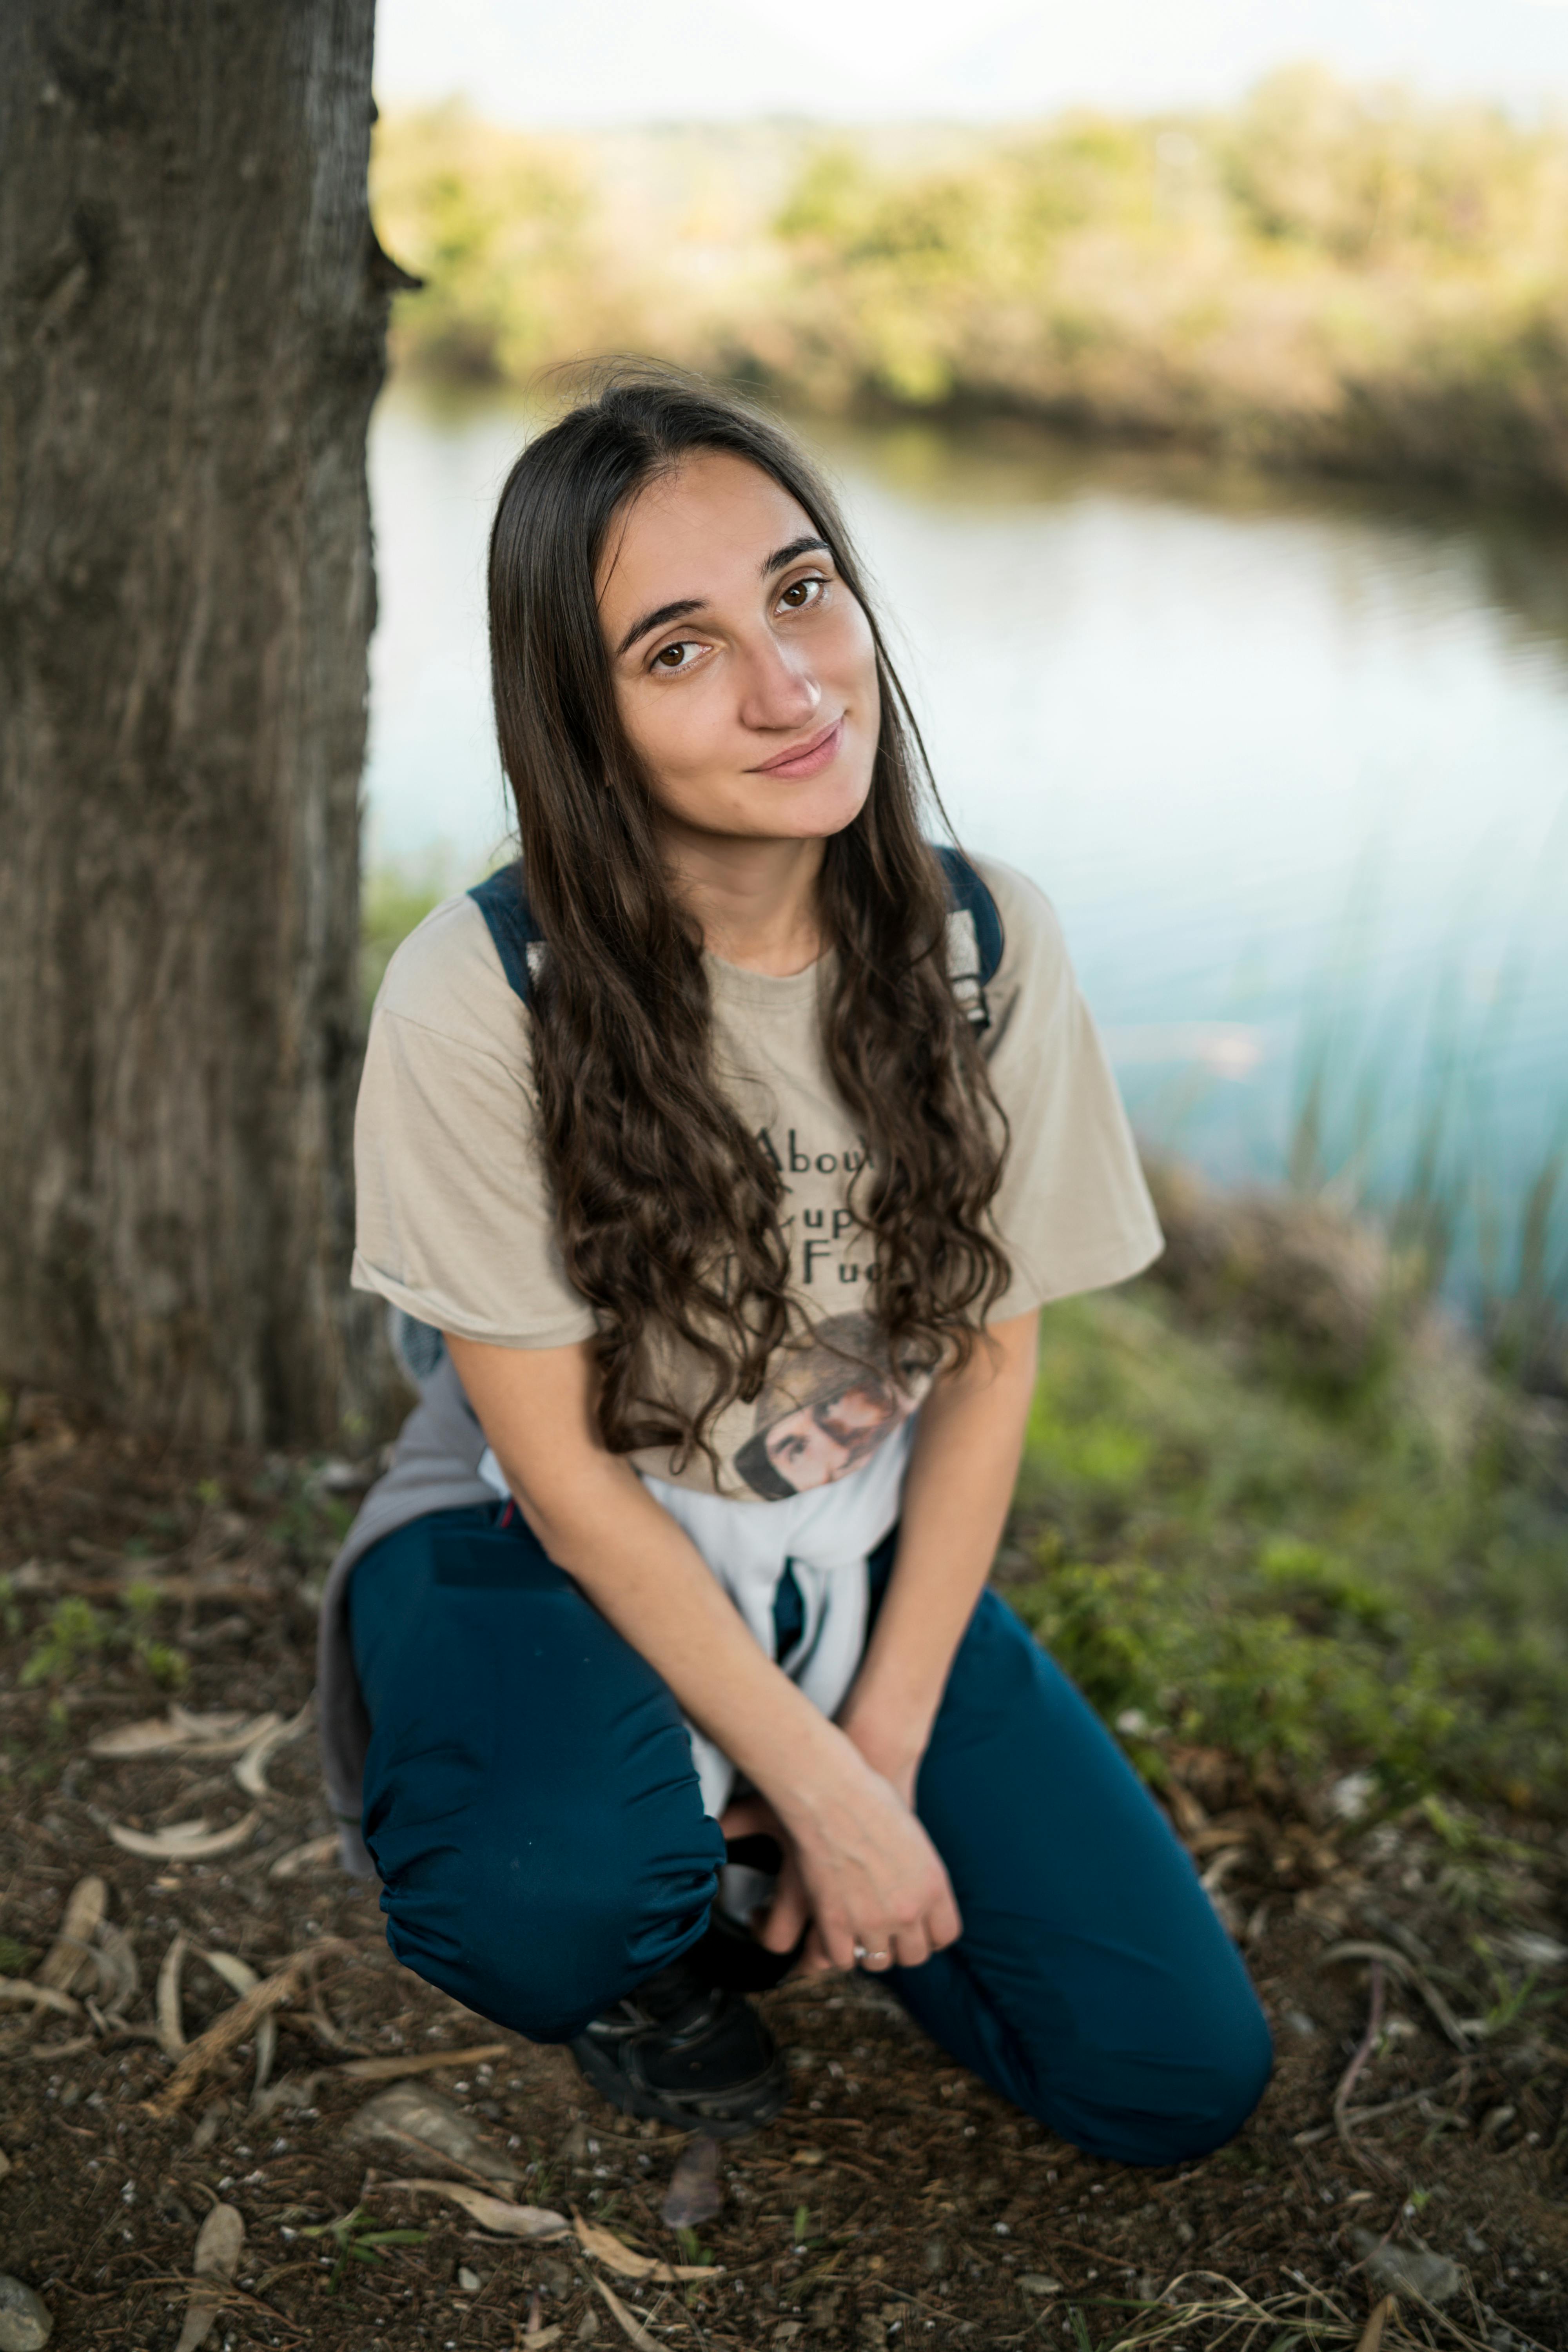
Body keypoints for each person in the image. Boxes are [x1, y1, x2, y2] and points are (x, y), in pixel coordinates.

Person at [314, 368, 1273, 2163]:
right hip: (549, 1528)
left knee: (1172, 2079)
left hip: (846, 1544)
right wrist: (818, 1786)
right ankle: (659, 1937)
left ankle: (797, 1862)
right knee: (539, 1894)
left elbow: (989, 1370)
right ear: (580, 721)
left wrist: (875, 1765)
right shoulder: (483, 990)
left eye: (801, 590)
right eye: (676, 651)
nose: (788, 686)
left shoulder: (985, 944)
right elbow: (560, 1465)